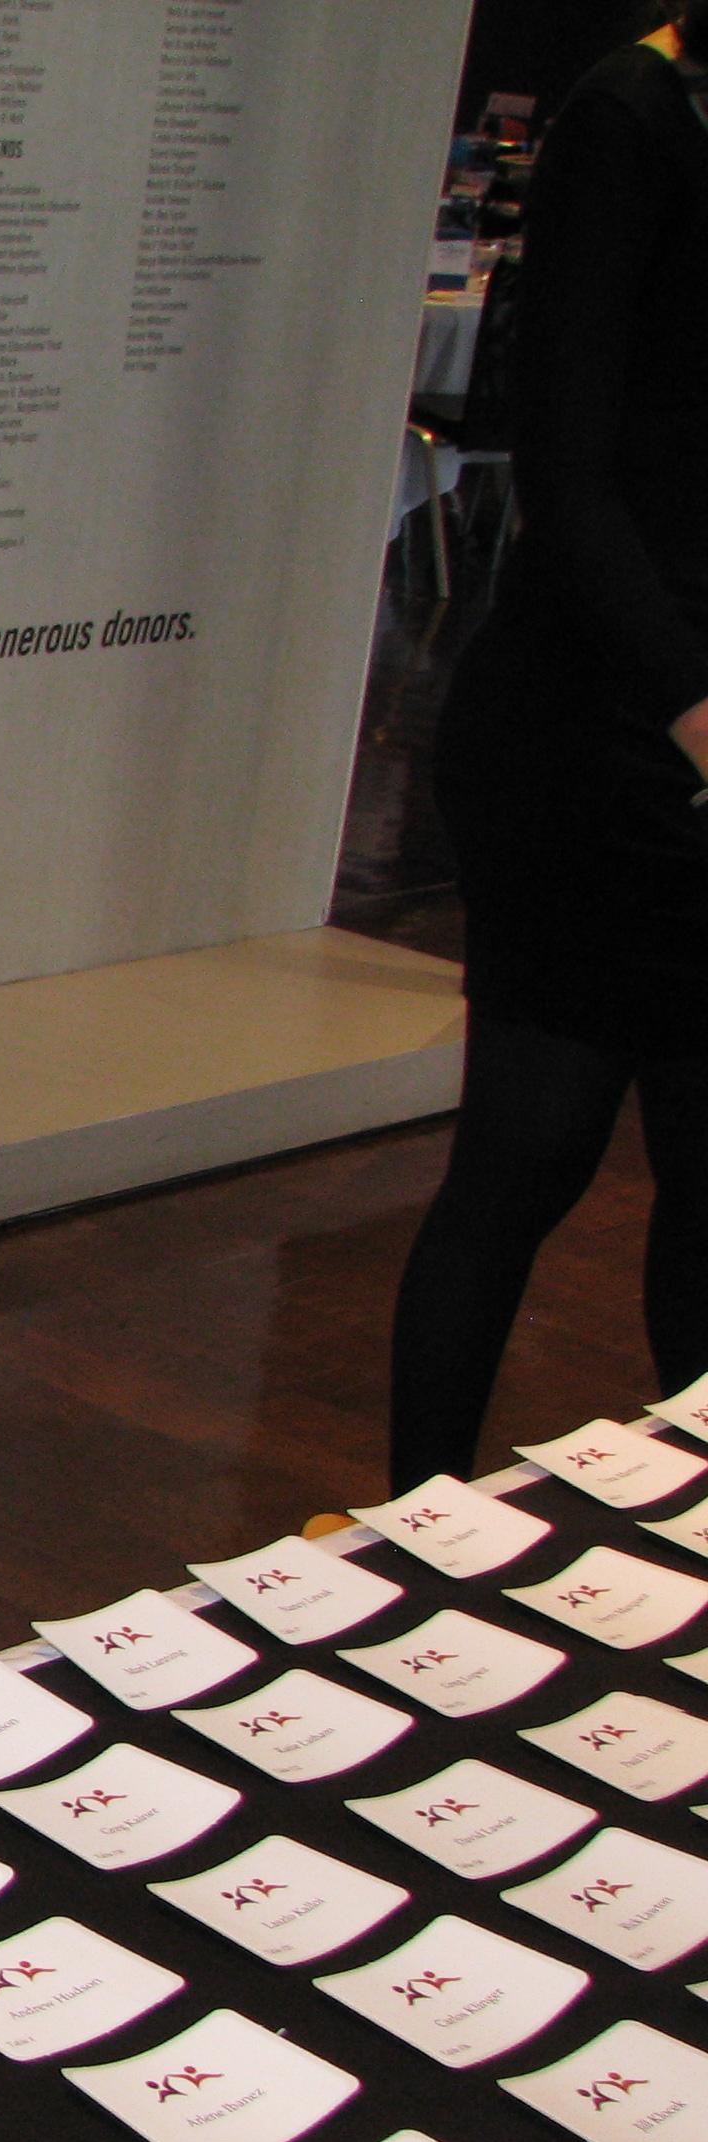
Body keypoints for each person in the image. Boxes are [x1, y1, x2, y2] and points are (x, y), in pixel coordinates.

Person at [389, 6, 708, 1488]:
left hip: (682, 730)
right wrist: (693, 703)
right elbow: (569, 472)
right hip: (589, 740)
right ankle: (413, 1531)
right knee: (527, 1156)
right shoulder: (629, 121)